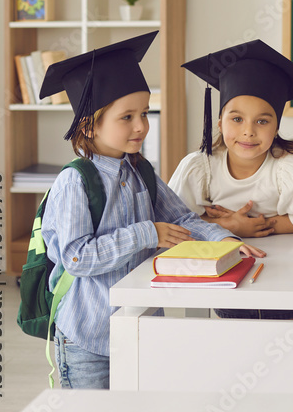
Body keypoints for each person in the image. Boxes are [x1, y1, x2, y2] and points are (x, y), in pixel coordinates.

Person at [38, 32, 263, 389]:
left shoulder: (140, 170)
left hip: (139, 324)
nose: (141, 125)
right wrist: (148, 233)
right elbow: (78, 259)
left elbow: (183, 219)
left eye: (144, 112)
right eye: (126, 117)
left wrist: (227, 240)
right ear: (88, 124)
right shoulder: (74, 183)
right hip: (87, 338)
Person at [169, 40, 293, 319]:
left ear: (276, 127)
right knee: (237, 343)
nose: (248, 132)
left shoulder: (290, 165)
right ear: (219, 121)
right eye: (236, 119)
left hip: (290, 274)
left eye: (262, 121)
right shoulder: (201, 166)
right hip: (228, 271)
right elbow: (178, 222)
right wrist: (228, 226)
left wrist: (252, 227)